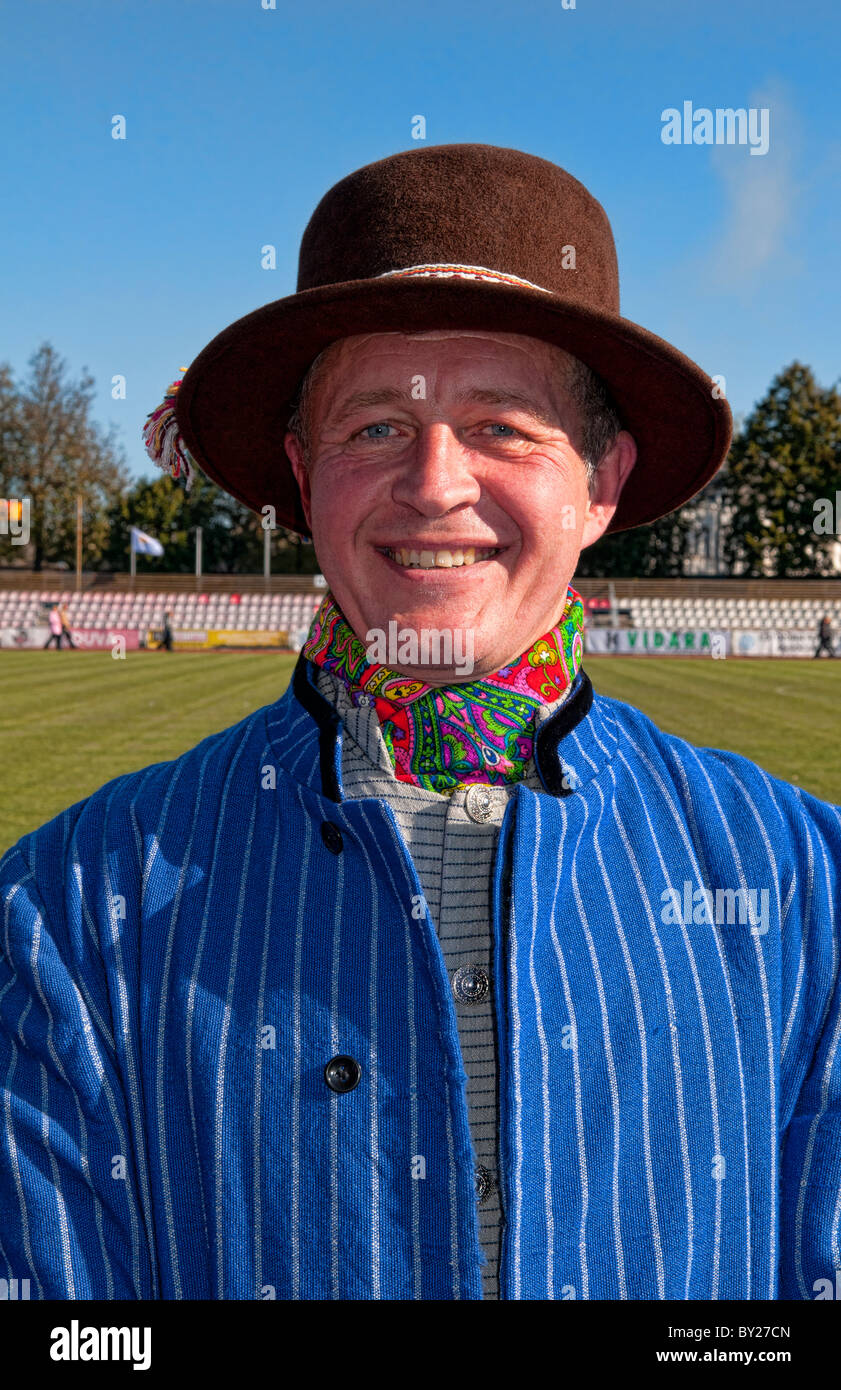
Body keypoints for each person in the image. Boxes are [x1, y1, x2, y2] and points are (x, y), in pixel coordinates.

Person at [1, 145, 839, 1302]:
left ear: (600, 483)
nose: (436, 483)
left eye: (502, 425)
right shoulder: (66, 915)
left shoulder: (804, 887)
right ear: (304, 479)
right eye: (375, 428)